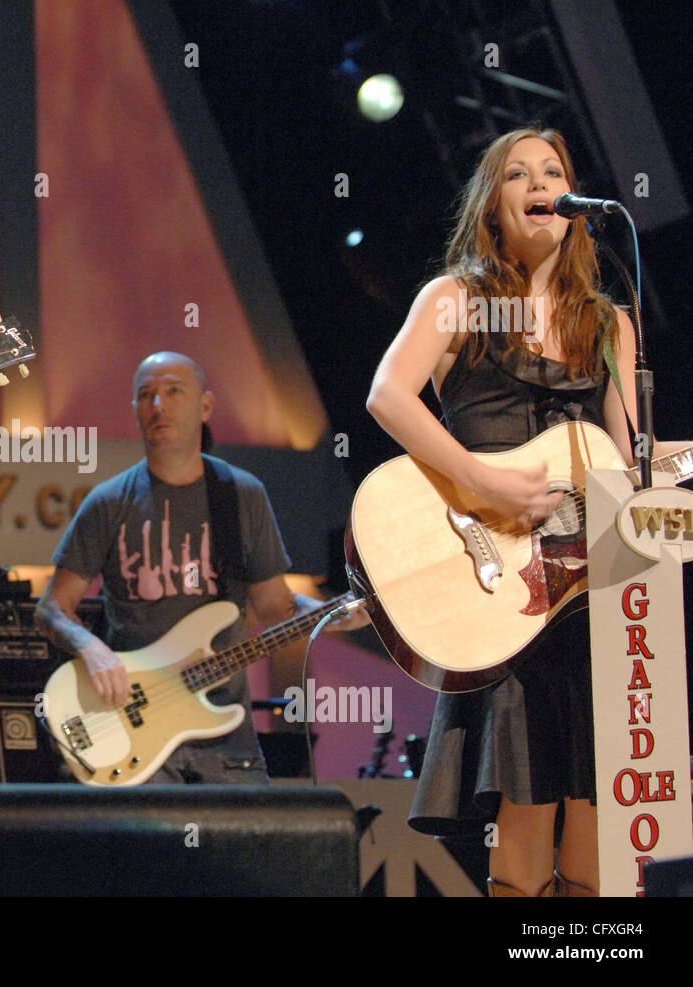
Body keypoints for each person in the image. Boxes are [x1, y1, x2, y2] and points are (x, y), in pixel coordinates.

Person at [366, 127, 684, 897]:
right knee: (526, 811)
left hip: (589, 593)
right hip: (504, 593)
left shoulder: (609, 323)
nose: (540, 182)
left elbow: (632, 462)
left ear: (575, 206)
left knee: (603, 822)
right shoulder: (455, 300)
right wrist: (484, 482)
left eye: (554, 171)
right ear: (494, 204)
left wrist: (663, 494)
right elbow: (386, 395)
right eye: (518, 173)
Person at [35, 351, 363, 783]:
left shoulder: (242, 495)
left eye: (173, 391)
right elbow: (52, 608)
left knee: (249, 848)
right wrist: (90, 648)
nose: (158, 405)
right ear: (134, 411)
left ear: (205, 406)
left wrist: (330, 617)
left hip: (226, 741)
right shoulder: (108, 503)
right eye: (146, 396)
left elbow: (273, 608)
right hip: (133, 729)